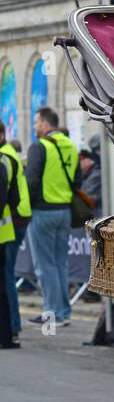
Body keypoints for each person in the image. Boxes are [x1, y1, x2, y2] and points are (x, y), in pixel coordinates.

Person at [25, 107, 78, 328]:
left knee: (45, 266)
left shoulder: (39, 147)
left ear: (46, 124)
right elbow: (77, 181)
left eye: (37, 122)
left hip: (43, 212)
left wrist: (29, 206)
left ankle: (51, 314)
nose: (35, 126)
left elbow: (32, 181)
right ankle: (63, 313)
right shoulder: (72, 147)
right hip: (64, 211)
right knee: (60, 263)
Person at [0, 125, 29, 339]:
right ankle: (11, 328)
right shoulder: (9, 157)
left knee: (7, 279)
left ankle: (11, 328)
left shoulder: (4, 159)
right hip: (13, 222)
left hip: (8, 226)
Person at [0, 134, 21, 348]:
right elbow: (14, 198)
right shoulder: (5, 162)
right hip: (4, 232)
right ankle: (7, 335)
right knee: (4, 285)